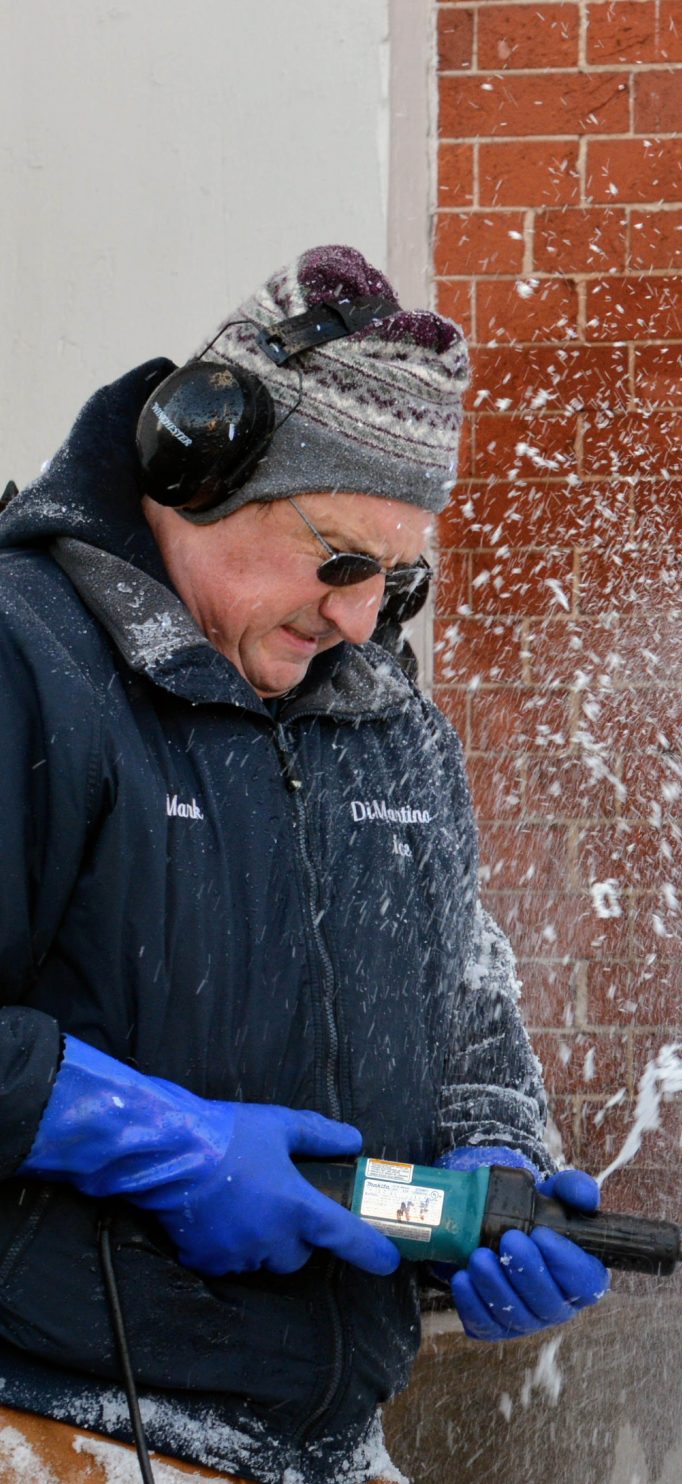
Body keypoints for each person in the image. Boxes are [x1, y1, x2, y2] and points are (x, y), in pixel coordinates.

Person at [0, 247, 605, 1483]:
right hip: (51, 1419)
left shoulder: (389, 726)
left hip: (322, 1442)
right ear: (202, 468)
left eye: (398, 578)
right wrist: (158, 1141)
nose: (359, 617)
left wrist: (498, 1166)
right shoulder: (28, 665)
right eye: (338, 559)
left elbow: (465, 1005)